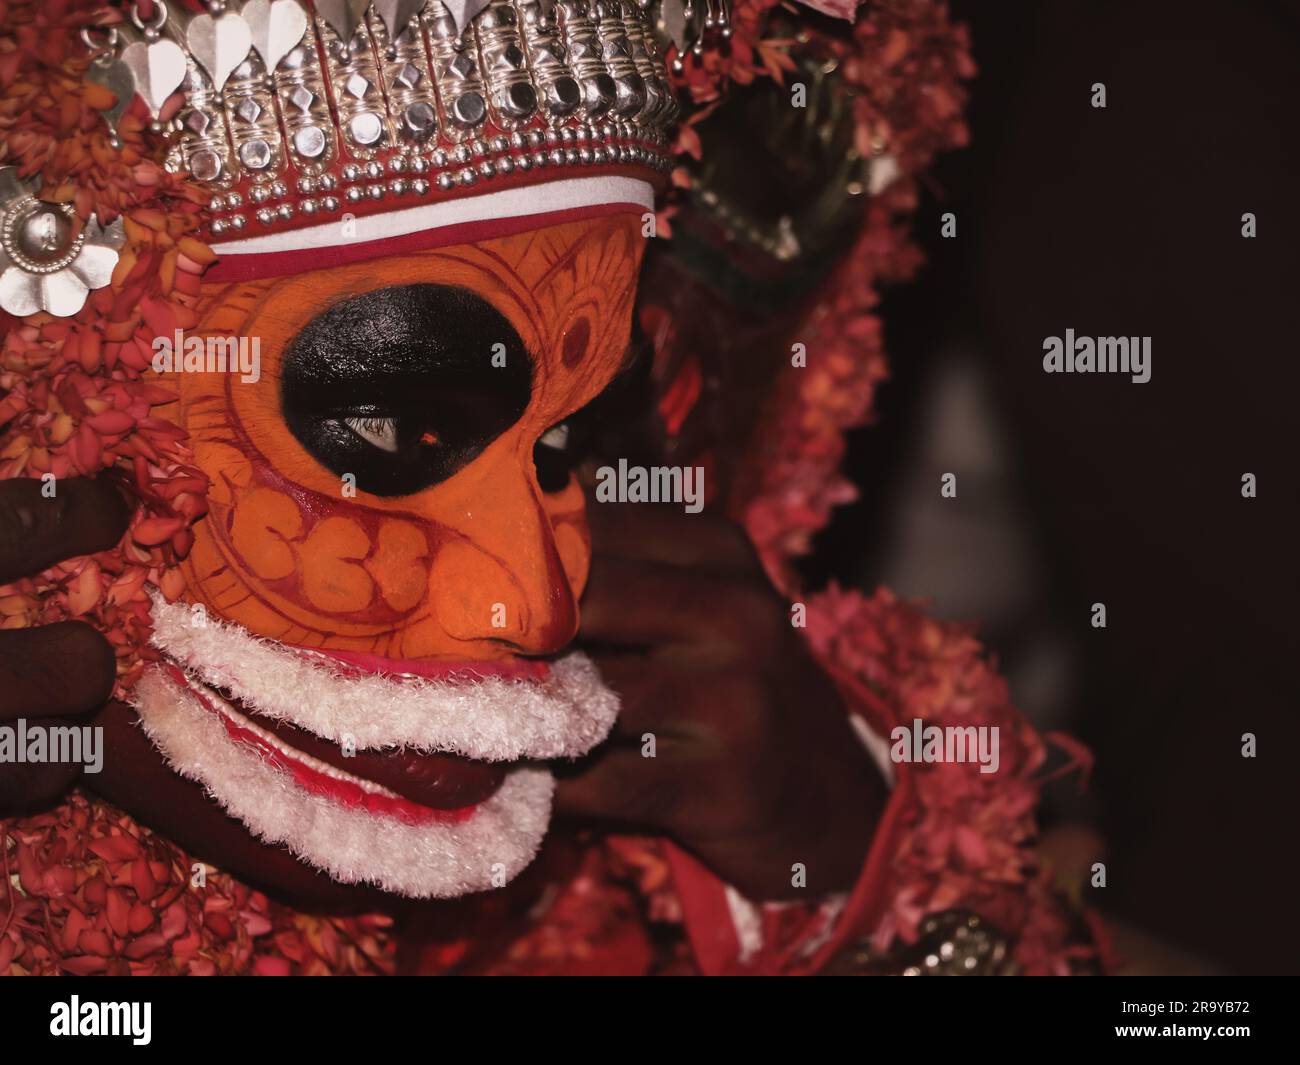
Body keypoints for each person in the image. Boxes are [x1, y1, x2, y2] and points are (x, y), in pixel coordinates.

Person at [0, 0, 1096, 975]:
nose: (534, 604)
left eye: (568, 442)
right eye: (388, 425)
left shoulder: (676, 840)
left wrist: (861, 893)